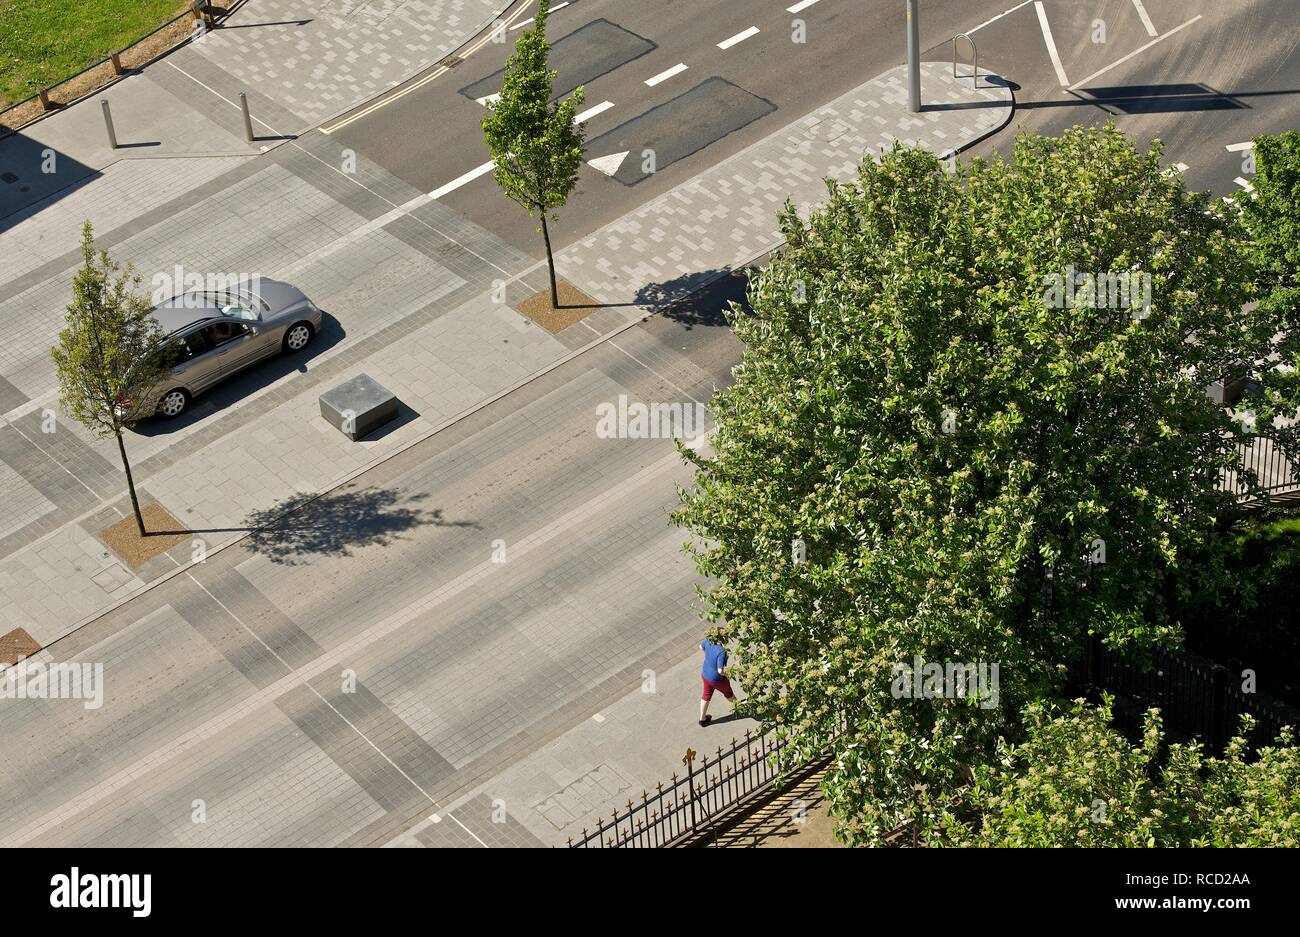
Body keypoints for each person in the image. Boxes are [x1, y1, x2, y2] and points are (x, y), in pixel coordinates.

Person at [698, 634, 738, 726]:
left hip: (705, 674)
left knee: (706, 695)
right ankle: (739, 708)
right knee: (729, 693)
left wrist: (709, 656)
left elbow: (700, 647)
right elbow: (720, 671)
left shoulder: (708, 641)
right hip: (717, 679)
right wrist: (728, 674)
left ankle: (702, 719)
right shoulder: (721, 651)